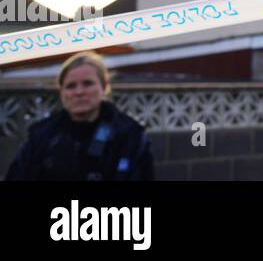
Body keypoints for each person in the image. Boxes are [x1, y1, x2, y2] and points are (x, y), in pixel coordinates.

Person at [4, 51, 155, 181]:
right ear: (61, 92)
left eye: (87, 83)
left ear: (104, 87)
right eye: (71, 86)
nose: (79, 92)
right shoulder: (41, 136)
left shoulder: (130, 135)